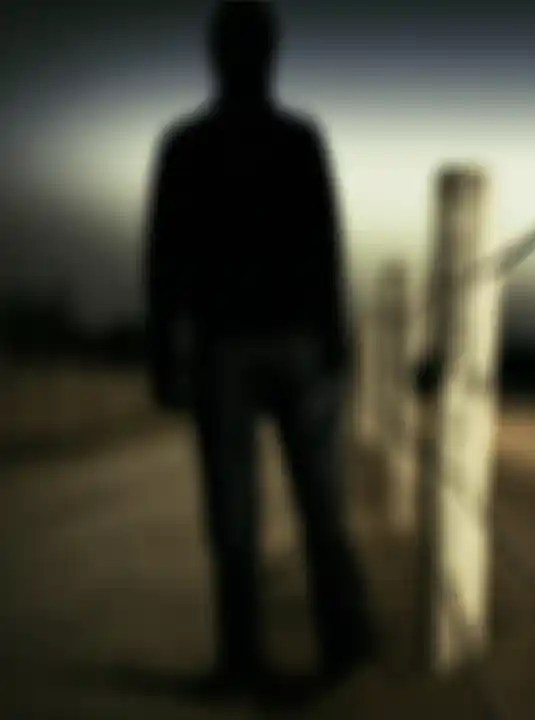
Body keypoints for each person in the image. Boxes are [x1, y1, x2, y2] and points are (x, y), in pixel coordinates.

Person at [143, 0, 375, 693]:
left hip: (228, 348)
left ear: (216, 56)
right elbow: (325, 244)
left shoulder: (188, 145)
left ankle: (246, 659)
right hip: (292, 344)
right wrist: (337, 341)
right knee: (317, 504)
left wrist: (165, 350)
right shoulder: (295, 140)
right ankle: (340, 649)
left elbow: (164, 261)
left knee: (235, 511)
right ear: (271, 56)